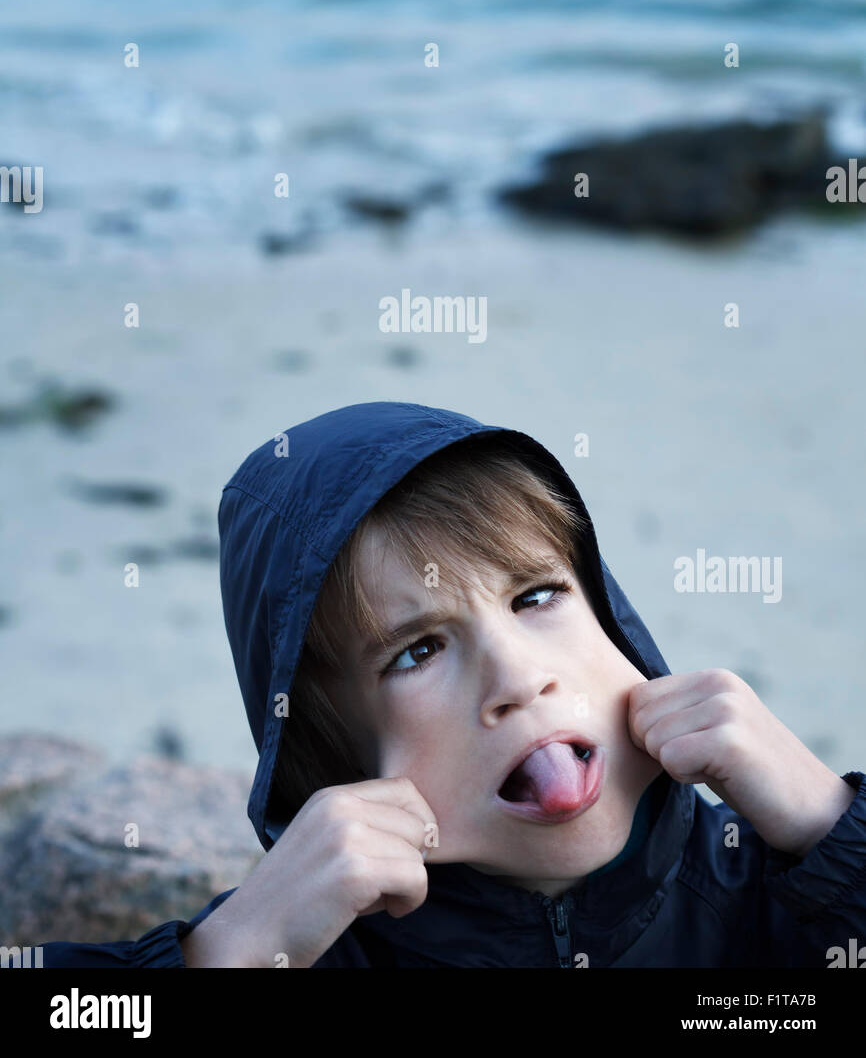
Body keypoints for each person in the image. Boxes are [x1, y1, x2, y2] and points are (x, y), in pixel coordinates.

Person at [37, 401, 865, 967]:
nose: (518, 677)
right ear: (335, 765)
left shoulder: (773, 895)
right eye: (418, 651)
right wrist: (227, 953)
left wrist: (835, 829)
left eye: (536, 596)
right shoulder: (305, 943)